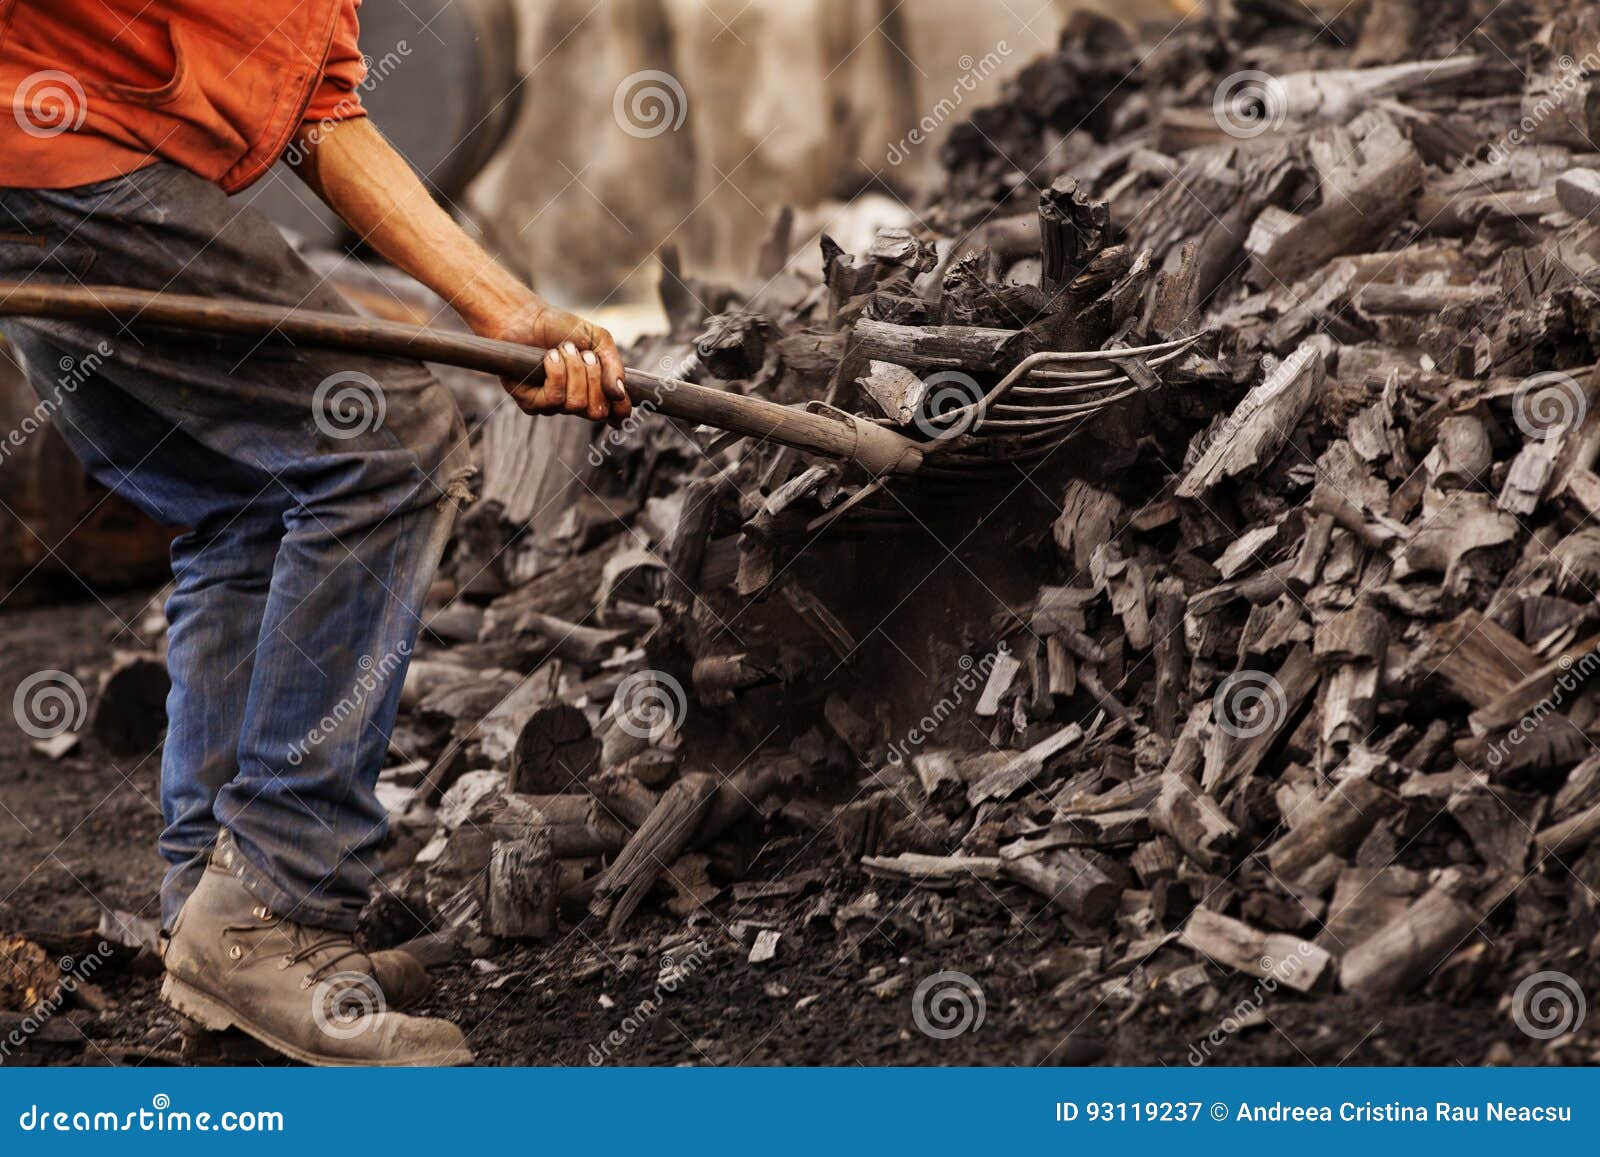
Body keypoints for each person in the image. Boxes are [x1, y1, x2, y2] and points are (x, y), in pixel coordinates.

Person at [0, 0, 630, 1065]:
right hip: (63, 155)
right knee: (392, 443)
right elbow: (318, 117)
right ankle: (275, 907)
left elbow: (315, 106)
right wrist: (502, 309)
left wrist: (507, 311)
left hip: (48, 157)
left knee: (243, 494)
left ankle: (217, 924)